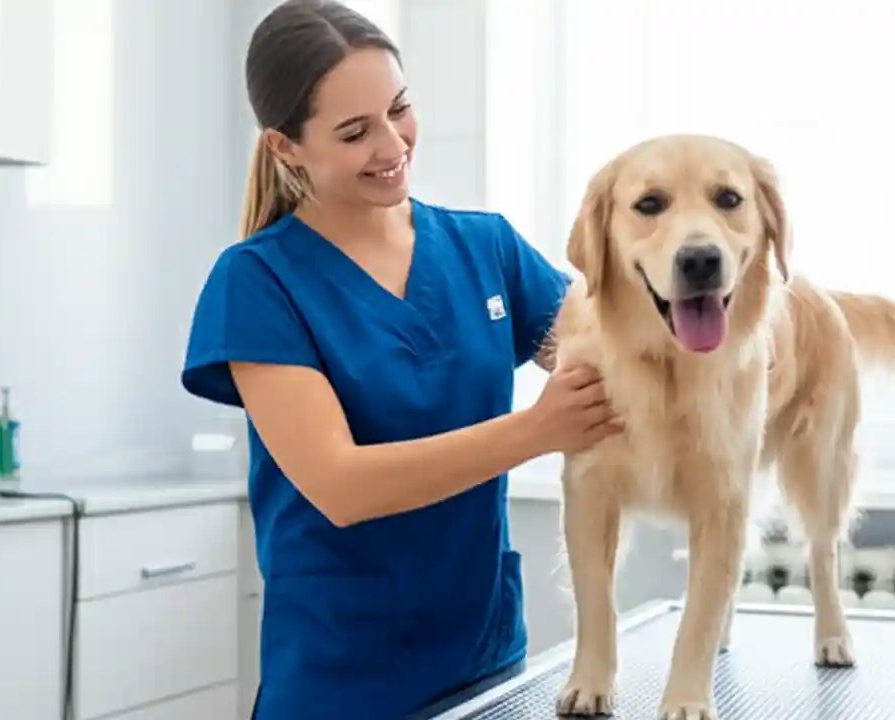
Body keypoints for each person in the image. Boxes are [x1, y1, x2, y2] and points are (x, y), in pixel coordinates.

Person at [179, 1, 622, 717]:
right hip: (342, 684)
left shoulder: (488, 248)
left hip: (485, 666)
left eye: (400, 109)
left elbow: (615, 358)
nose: (393, 145)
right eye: (355, 132)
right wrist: (537, 431)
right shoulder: (257, 283)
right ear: (287, 147)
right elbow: (341, 486)